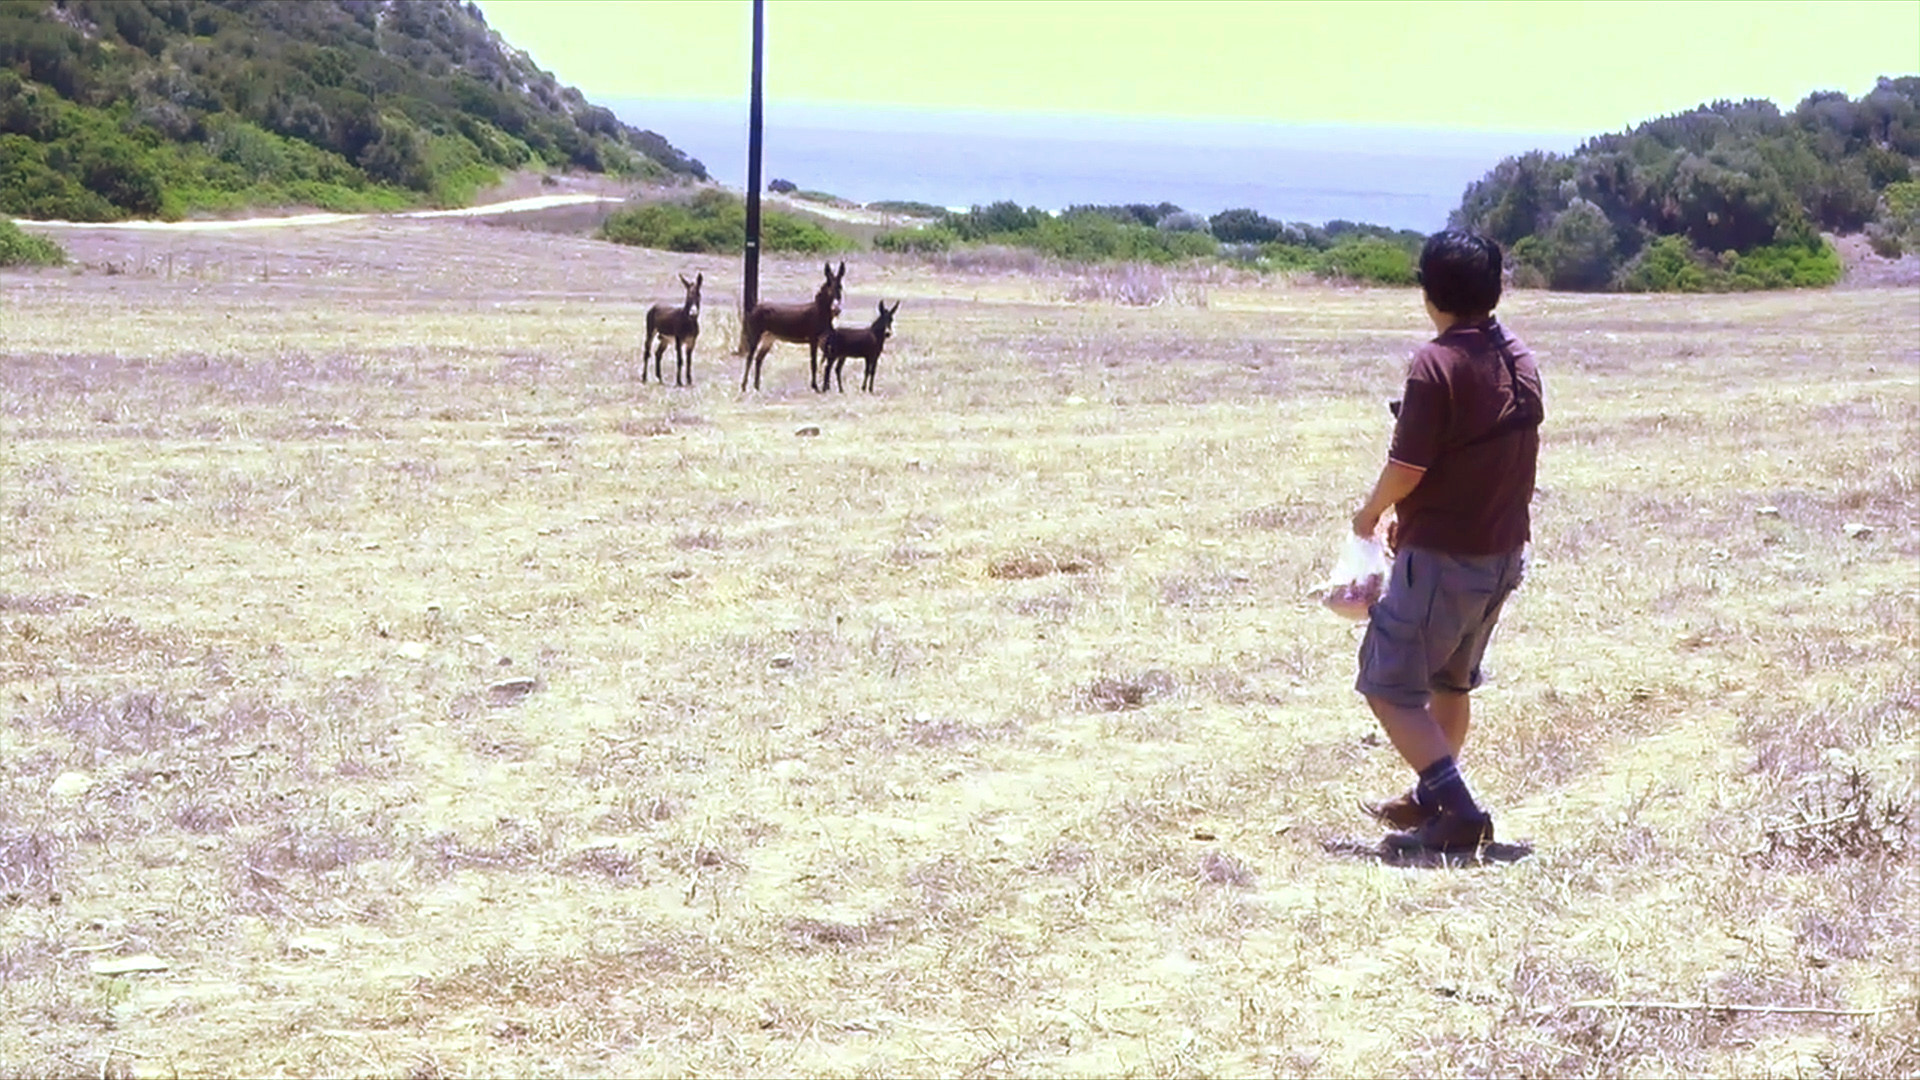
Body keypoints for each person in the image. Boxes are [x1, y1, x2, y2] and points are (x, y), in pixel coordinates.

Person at [1349, 229, 1544, 853]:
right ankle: (1431, 799)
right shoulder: (1516, 353)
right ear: (1495, 288)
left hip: (1445, 555)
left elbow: (1409, 466)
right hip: (1502, 551)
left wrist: (1369, 515)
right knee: (1450, 682)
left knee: (1387, 683)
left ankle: (1457, 810)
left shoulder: (1436, 363)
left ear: (1430, 291)